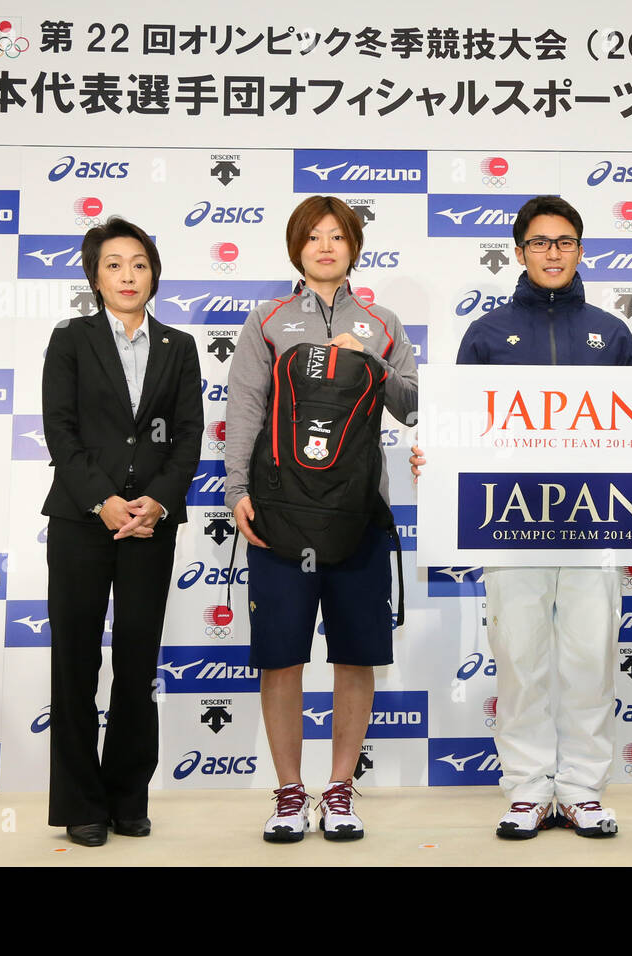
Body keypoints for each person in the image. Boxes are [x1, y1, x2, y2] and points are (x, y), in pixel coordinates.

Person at [413, 195, 632, 839]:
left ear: (580, 249)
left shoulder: (612, 333)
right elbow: (461, 425)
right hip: (509, 518)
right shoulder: (487, 333)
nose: (552, 252)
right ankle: (525, 787)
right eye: (539, 242)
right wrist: (438, 456)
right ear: (519, 252)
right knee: (518, 654)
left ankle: (581, 788)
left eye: (564, 241)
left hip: (597, 520)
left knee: (590, 655)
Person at [224, 196, 417, 843]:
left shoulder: (382, 323)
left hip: (357, 514)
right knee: (281, 657)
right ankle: (287, 793)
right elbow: (245, 407)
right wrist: (237, 490)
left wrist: (371, 360)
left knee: (355, 655)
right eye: (314, 236)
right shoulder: (268, 319)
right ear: (296, 247)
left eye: (338, 236)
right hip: (280, 515)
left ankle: (338, 790)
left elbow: (414, 406)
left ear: (354, 247)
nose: (326, 246)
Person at [42, 216, 204, 847]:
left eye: (139, 263)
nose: (128, 275)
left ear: (154, 273)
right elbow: (60, 429)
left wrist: (156, 503)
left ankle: (128, 797)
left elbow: (187, 436)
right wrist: (104, 500)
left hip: (151, 527)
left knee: (137, 665)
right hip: (82, 523)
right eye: (114, 264)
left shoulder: (178, 345)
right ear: (94, 275)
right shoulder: (71, 340)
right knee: (75, 663)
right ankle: (81, 804)